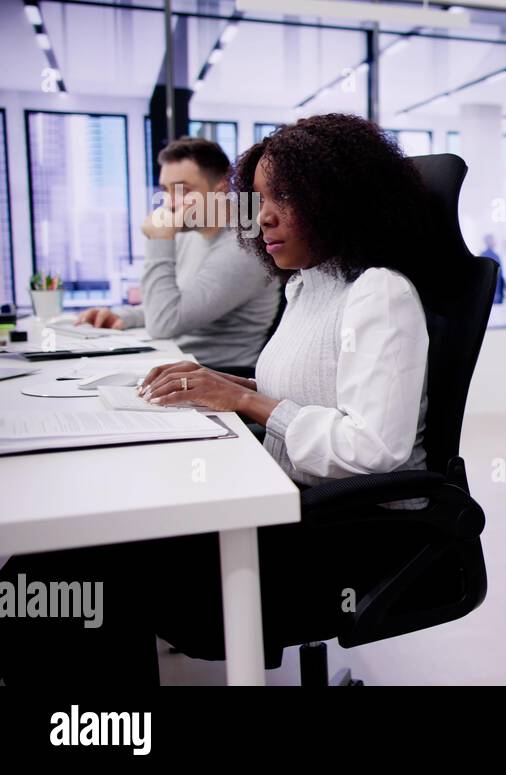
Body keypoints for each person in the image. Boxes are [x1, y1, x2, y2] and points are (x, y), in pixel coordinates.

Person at [0, 114, 437, 684]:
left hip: (351, 532)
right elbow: (310, 392)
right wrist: (227, 386)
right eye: (258, 200)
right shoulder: (310, 283)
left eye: (286, 196)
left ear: (339, 196)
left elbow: (371, 448)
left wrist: (249, 403)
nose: (264, 217)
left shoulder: (379, 292)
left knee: (85, 572)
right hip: (296, 502)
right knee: (58, 563)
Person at [76, 137, 281, 371]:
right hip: (175, 363)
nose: (170, 203)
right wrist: (119, 317)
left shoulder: (245, 248)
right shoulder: (190, 232)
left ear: (222, 188)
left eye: (183, 190)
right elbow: (171, 307)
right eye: (165, 190)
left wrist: (159, 239)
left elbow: (164, 322)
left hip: (218, 376)